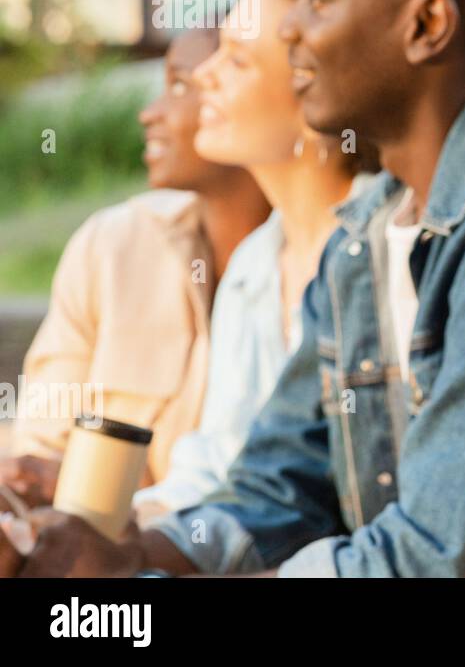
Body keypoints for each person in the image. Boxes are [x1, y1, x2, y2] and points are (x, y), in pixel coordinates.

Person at [7, 0, 465, 578]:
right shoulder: (367, 231)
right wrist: (125, 555)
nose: (288, 29)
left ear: (425, 27)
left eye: (317, 0)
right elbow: (275, 488)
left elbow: (433, 555)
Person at [131, 0, 378, 523]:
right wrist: (112, 532)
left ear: (314, 91)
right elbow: (217, 462)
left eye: (237, 59)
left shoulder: (391, 251)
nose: (205, 77)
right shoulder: (254, 267)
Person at [0, 28, 269, 506]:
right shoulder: (113, 245)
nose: (151, 113)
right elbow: (39, 446)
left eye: (182, 85)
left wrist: (108, 492)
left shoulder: (317, 264)